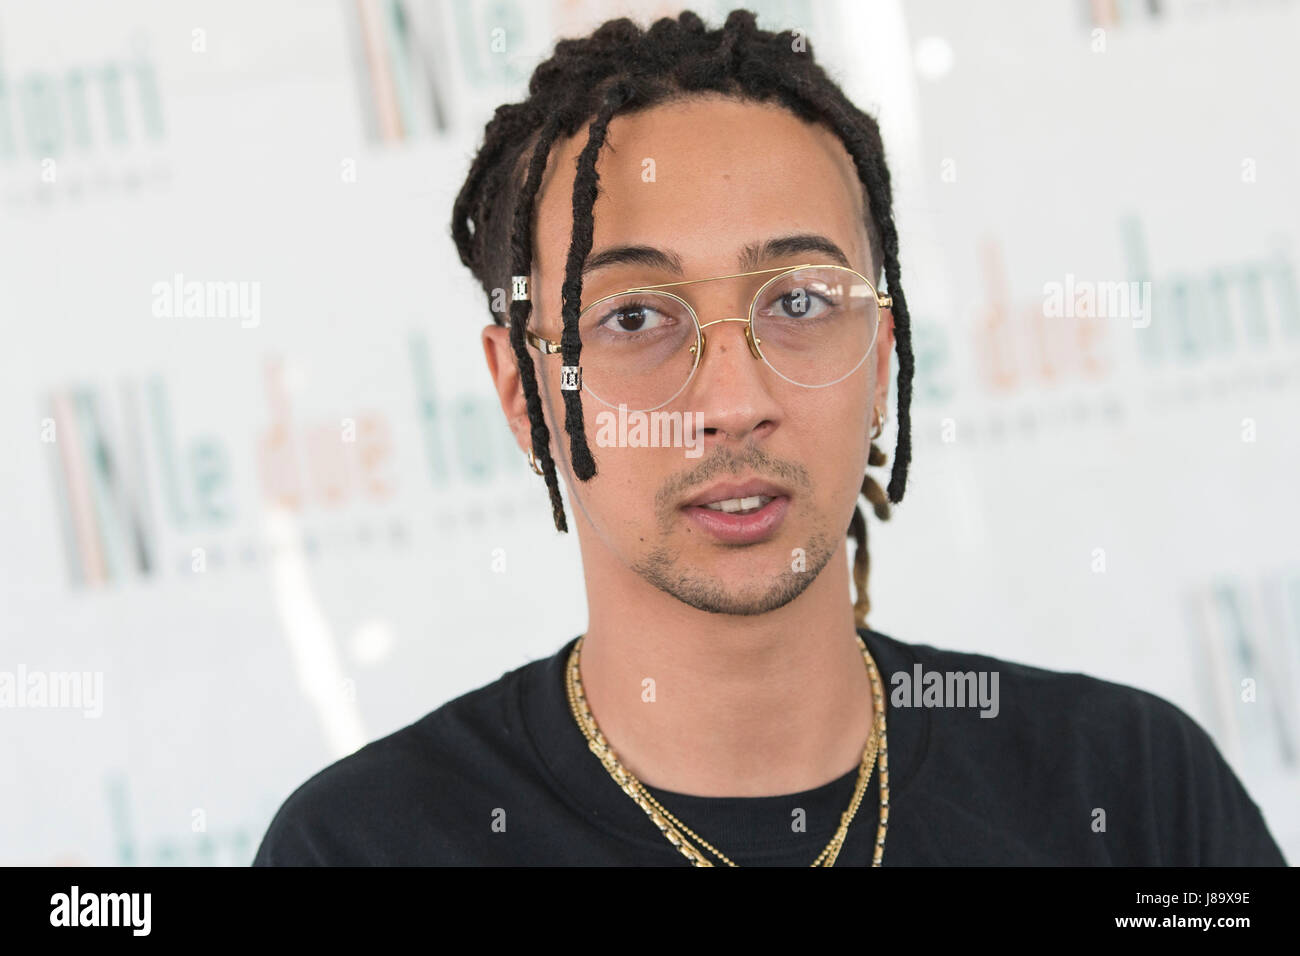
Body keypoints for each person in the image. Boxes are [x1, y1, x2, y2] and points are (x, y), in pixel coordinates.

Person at [253, 9, 1286, 866]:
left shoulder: (1128, 792)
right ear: (523, 389)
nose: (733, 397)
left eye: (797, 300)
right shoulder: (363, 845)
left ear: (881, 355)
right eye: (634, 318)